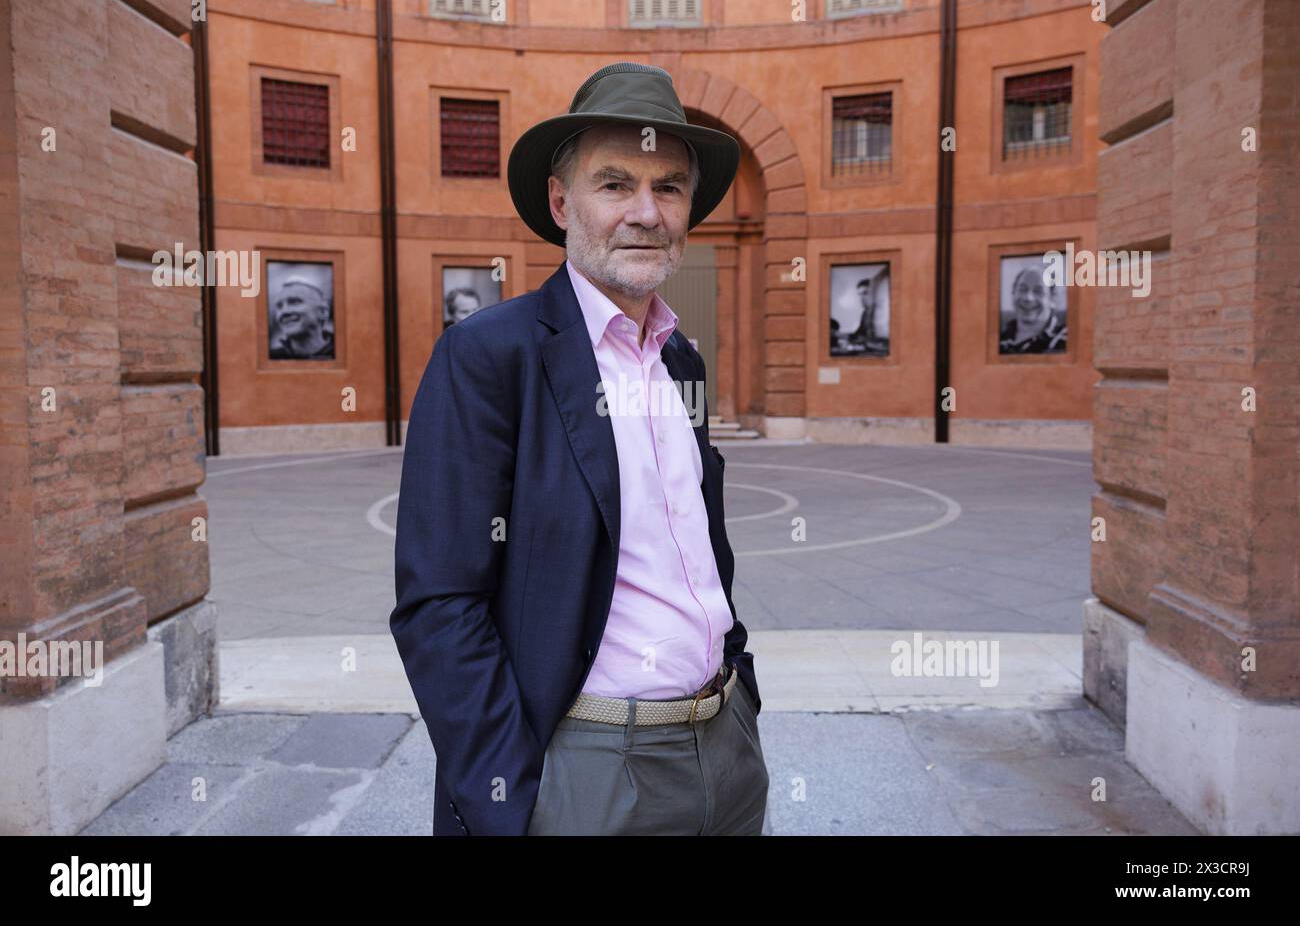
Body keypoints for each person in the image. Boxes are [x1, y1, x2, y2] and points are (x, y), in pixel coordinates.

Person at [391, 62, 767, 836]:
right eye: (614, 184)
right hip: (586, 773)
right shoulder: (489, 355)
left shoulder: (680, 359)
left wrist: (743, 693)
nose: (645, 211)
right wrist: (512, 800)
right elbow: (439, 604)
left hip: (725, 753)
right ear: (562, 202)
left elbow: (702, 551)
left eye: (668, 187)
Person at [999, 265, 1067, 354]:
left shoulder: (1064, 342)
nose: (1028, 298)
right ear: (1013, 293)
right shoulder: (996, 339)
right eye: (1022, 289)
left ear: (1052, 298)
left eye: (1038, 291)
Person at [268, 275, 334, 359]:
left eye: (294, 302)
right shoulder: (271, 358)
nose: (284, 311)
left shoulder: (347, 354)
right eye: (279, 306)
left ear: (323, 312)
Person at [846, 269, 888, 355]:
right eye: (860, 294)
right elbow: (858, 334)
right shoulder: (865, 313)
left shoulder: (883, 312)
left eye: (865, 293)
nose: (862, 298)